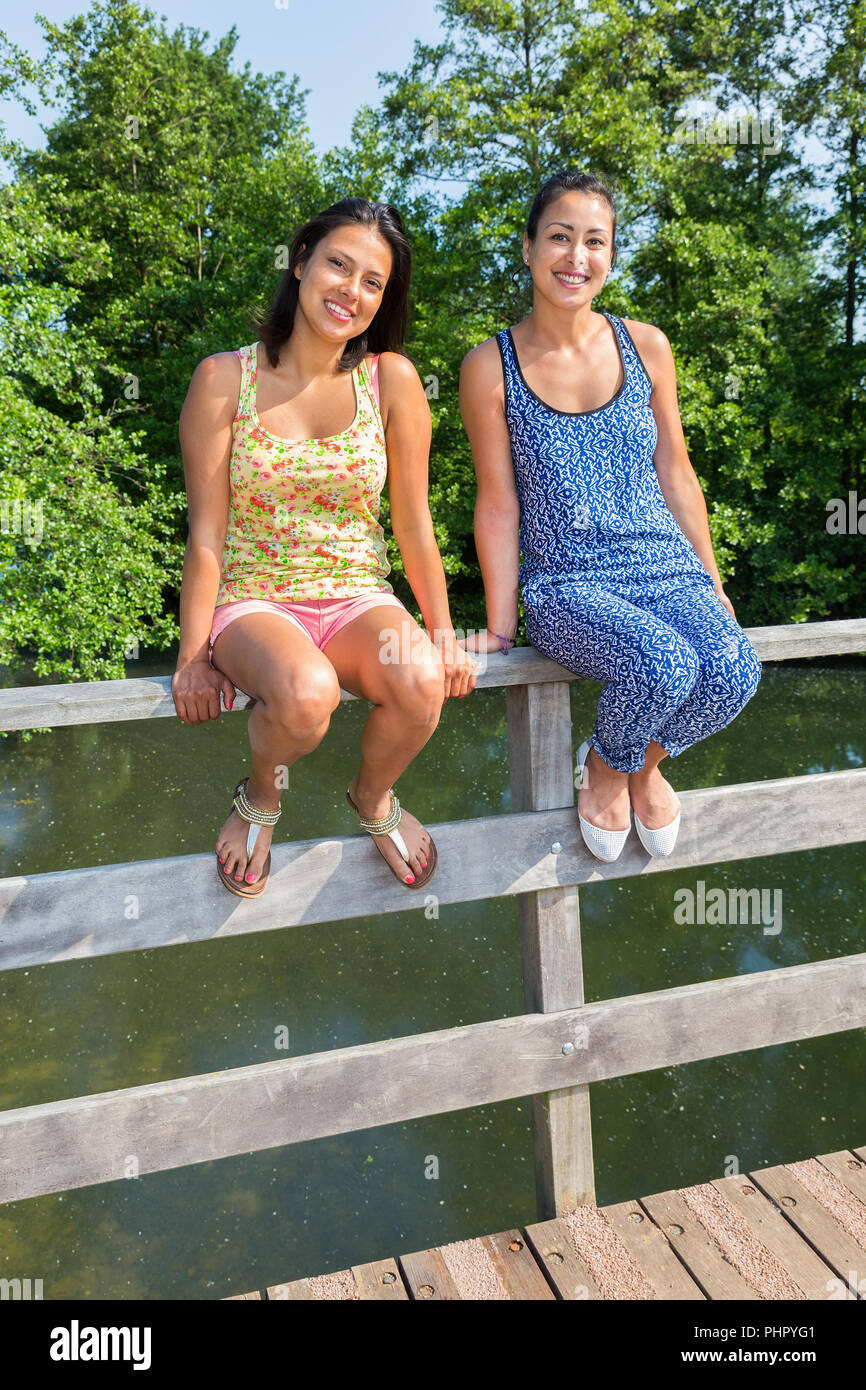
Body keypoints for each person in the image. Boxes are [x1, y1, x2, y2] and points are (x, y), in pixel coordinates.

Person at [171, 197, 476, 897]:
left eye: (374, 281)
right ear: (302, 261)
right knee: (308, 696)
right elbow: (207, 534)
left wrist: (443, 633)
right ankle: (261, 797)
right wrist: (192, 659)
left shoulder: (390, 381)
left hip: (357, 596)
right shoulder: (225, 380)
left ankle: (372, 798)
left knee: (421, 680)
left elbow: (414, 523)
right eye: (339, 264)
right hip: (254, 601)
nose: (353, 290)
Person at [457, 171, 761, 862]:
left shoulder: (646, 345)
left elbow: (675, 470)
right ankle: (603, 768)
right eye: (559, 237)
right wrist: (501, 624)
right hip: (569, 583)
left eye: (595, 241)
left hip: (665, 567)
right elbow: (498, 501)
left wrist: (710, 579)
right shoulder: (489, 366)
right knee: (660, 664)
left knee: (733, 671)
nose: (576, 256)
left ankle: (634, 764)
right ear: (529, 248)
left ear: (611, 257)